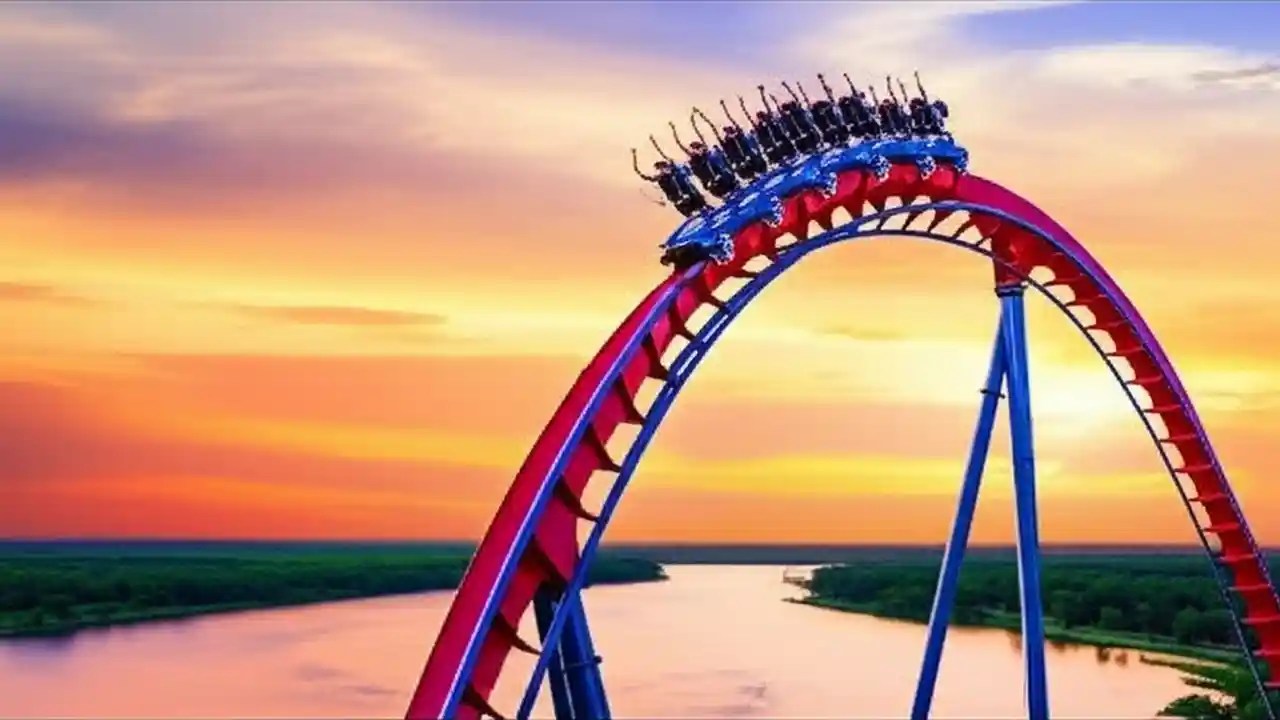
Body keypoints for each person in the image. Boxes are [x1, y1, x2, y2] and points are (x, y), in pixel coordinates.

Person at [671, 120, 740, 199]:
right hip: (709, 181)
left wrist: (694, 124)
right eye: (697, 149)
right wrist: (674, 131)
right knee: (714, 186)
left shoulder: (705, 154)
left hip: (719, 175)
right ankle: (723, 194)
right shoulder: (694, 160)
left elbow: (701, 137)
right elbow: (681, 146)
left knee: (726, 175)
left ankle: (733, 186)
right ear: (694, 151)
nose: (700, 150)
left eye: (700, 148)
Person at [631, 148, 707, 217]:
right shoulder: (658, 178)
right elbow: (639, 172)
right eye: (659, 168)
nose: (662, 169)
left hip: (692, 197)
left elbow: (669, 160)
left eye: (663, 167)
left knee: (703, 207)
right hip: (680, 202)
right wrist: (634, 156)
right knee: (693, 215)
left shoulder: (672, 172)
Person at [707, 103, 769, 180]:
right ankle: (749, 176)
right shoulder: (726, 143)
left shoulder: (739, 136)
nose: (731, 135)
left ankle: (760, 172)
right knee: (742, 167)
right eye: (728, 133)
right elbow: (717, 134)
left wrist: (726, 109)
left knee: (756, 161)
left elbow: (735, 123)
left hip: (749, 156)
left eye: (731, 132)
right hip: (739, 161)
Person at [744, 92, 797, 166]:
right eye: (761, 117)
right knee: (782, 158)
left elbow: (767, 106)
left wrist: (763, 95)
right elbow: (750, 119)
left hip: (781, 138)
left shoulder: (770, 119)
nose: (763, 118)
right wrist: (743, 108)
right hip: (775, 142)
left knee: (790, 155)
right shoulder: (762, 126)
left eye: (763, 116)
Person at [777, 82, 822, 154]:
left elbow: (795, 97)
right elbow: (782, 111)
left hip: (807, 127)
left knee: (813, 141)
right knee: (808, 144)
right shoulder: (791, 114)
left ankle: (815, 148)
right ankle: (812, 149)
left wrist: (787, 87)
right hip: (802, 129)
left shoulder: (798, 109)